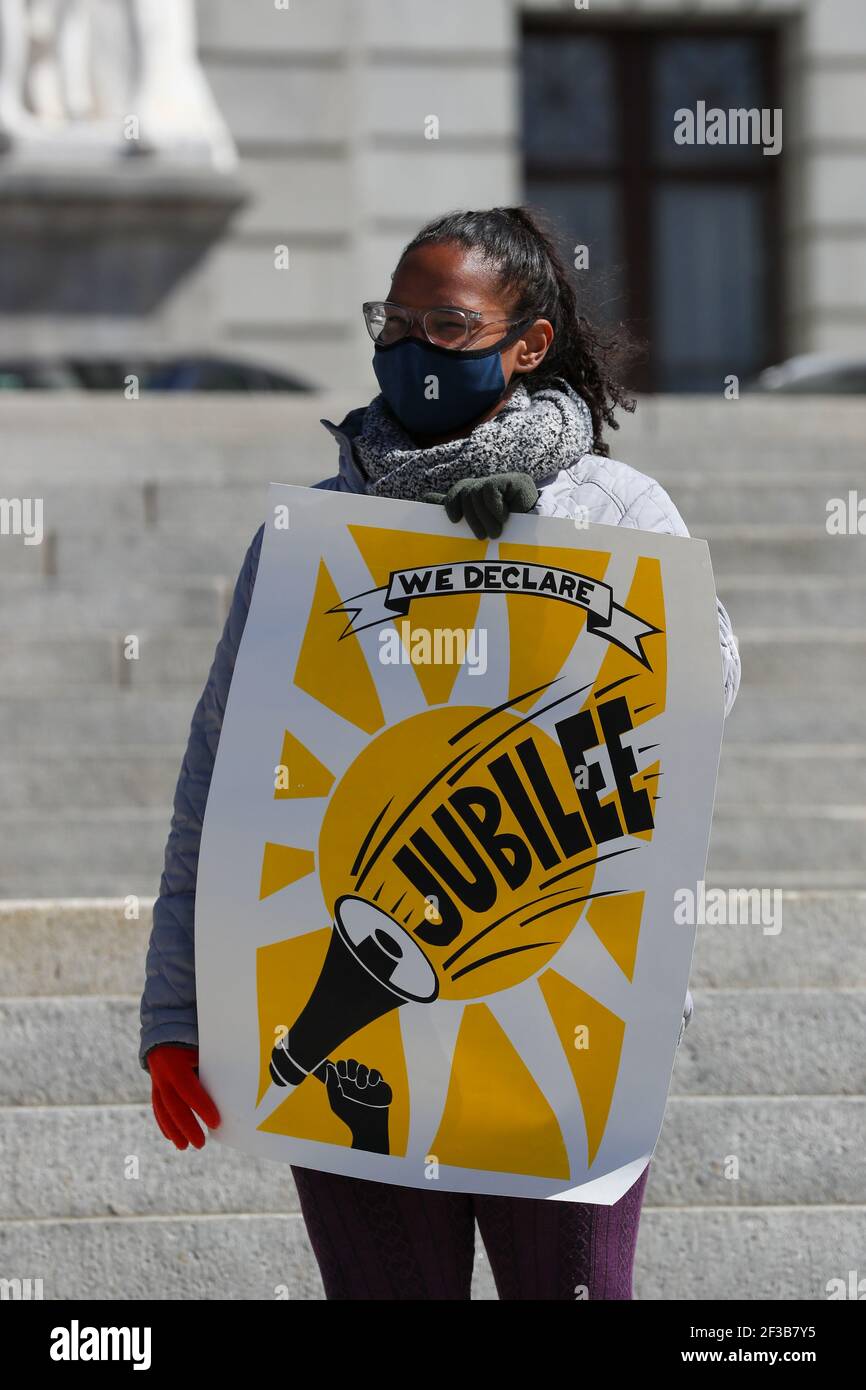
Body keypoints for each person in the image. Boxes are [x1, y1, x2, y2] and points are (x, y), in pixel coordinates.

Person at [139, 205, 741, 1301]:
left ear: (526, 345)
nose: (413, 347)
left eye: (449, 326)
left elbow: (704, 691)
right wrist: (177, 1014)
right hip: (351, 1067)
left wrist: (539, 556)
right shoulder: (307, 540)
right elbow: (217, 777)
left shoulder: (617, 506)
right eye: (395, 321)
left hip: (569, 1039)